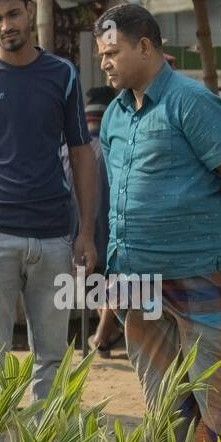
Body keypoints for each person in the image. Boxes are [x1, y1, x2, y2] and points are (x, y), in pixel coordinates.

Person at [97, 3, 221, 442]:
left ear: (145, 47)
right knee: (165, 400)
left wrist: (211, 222)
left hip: (200, 270)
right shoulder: (115, 116)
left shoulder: (191, 102)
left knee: (219, 398)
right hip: (136, 278)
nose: (105, 61)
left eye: (113, 52)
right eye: (102, 54)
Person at [0, 0, 98, 402]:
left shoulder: (62, 75)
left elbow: (81, 152)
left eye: (13, 14)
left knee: (52, 355)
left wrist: (85, 232)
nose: (6, 25)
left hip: (54, 236)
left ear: (30, 12)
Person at [84, 84, 123, 357]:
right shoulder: (116, 148)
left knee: (94, 280)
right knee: (115, 279)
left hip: (81, 228)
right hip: (114, 224)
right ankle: (104, 333)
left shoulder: (72, 148)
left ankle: (104, 332)